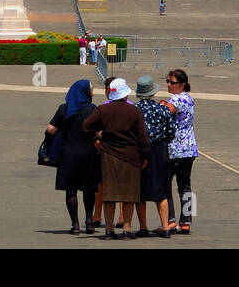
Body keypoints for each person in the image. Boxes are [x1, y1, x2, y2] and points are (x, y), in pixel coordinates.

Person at [82, 78, 148, 240]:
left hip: (108, 155)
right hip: (131, 156)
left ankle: (109, 229)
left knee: (109, 195)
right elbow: (142, 137)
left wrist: (96, 137)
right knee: (129, 195)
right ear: (125, 94)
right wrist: (145, 155)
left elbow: (85, 125)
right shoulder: (134, 111)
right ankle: (127, 228)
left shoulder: (102, 109)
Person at [46, 80, 102, 234]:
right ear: (84, 92)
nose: (93, 93)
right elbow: (99, 131)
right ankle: (89, 220)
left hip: (69, 154)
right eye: (91, 90)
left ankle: (75, 224)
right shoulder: (92, 109)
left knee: (71, 191)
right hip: (89, 153)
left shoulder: (64, 109)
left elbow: (51, 129)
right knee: (89, 189)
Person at [134, 75, 176, 238]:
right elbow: (171, 131)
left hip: (141, 152)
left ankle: (143, 227)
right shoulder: (163, 109)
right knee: (162, 190)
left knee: (141, 191)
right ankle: (165, 227)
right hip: (160, 151)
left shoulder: (135, 109)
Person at [162, 68, 198, 234]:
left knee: (165, 185)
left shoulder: (177, 98)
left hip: (176, 148)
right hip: (190, 147)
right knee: (185, 186)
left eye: (173, 82)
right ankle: (186, 221)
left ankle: (170, 220)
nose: (169, 85)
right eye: (168, 81)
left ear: (182, 84)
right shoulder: (189, 98)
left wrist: (162, 105)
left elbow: (165, 114)